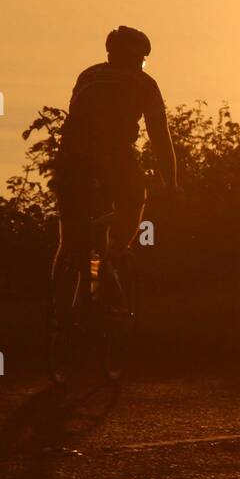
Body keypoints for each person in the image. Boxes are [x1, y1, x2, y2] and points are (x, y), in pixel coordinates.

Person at [51, 26, 178, 312]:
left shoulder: (88, 75)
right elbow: (159, 135)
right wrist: (171, 183)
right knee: (135, 197)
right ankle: (110, 255)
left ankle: (59, 318)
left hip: (71, 157)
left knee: (70, 240)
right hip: (113, 156)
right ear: (138, 58)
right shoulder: (144, 82)